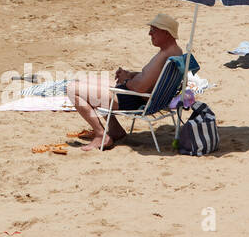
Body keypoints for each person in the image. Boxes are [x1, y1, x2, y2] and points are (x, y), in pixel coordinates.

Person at [66, 13, 184, 152]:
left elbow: (140, 87)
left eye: (153, 30)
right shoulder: (174, 52)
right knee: (88, 81)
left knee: (72, 89)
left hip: (133, 99)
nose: (149, 33)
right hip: (144, 97)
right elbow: (153, 78)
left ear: (166, 33)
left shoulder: (164, 55)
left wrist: (126, 80)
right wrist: (130, 75)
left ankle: (101, 135)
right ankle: (115, 129)